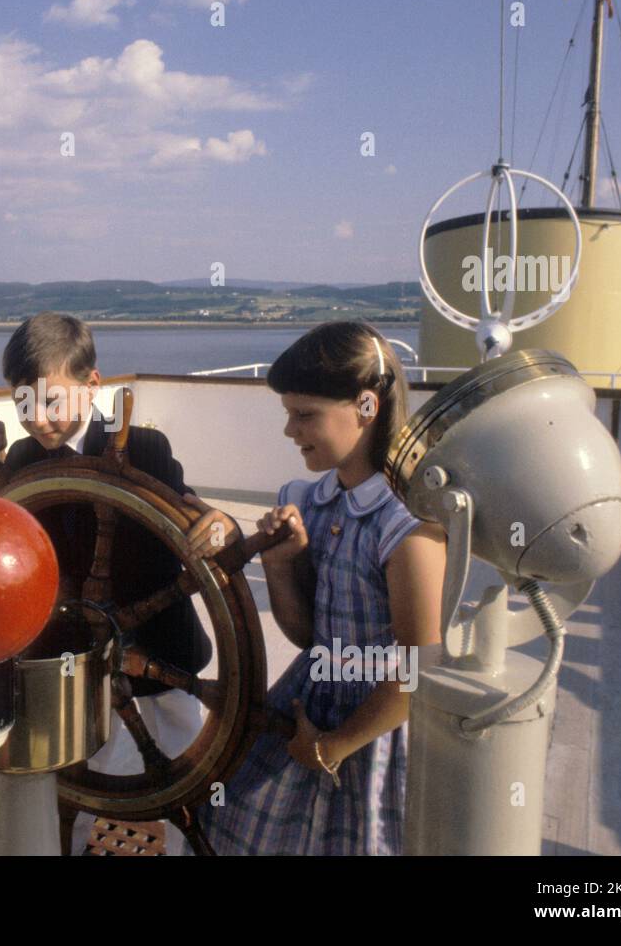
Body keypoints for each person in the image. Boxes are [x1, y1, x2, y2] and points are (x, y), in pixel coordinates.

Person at [0, 311, 237, 855]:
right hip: (73, 657)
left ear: (92, 386)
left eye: (52, 401)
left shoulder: (145, 448)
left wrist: (222, 526)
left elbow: (195, 516)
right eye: (23, 403)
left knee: (179, 784)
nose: (38, 419)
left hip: (159, 655)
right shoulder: (23, 457)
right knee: (77, 781)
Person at [192, 321, 445, 855]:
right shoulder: (312, 500)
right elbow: (309, 635)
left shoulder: (407, 525)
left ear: (367, 407)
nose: (290, 430)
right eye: (288, 413)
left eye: (304, 415)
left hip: (376, 729)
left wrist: (335, 746)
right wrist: (287, 564)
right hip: (315, 697)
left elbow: (420, 665)